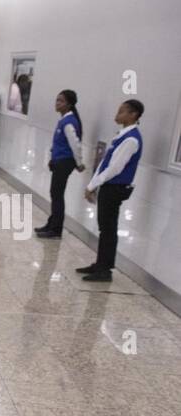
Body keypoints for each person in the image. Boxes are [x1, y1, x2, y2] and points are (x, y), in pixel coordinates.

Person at [78, 99, 144, 281]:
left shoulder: (131, 139)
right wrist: (93, 183)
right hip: (108, 185)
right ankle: (101, 264)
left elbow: (115, 168)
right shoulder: (121, 135)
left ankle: (104, 270)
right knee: (105, 227)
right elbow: (105, 163)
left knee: (108, 228)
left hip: (115, 187)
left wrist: (93, 185)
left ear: (133, 115)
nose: (117, 114)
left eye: (122, 111)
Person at [35, 90, 85, 239]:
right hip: (60, 161)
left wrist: (80, 162)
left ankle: (56, 229)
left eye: (61, 101)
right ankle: (51, 224)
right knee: (55, 194)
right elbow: (58, 143)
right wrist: (52, 158)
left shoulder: (69, 121)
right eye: (57, 100)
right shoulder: (64, 120)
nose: (57, 103)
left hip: (65, 162)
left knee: (57, 195)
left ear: (69, 104)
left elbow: (75, 144)